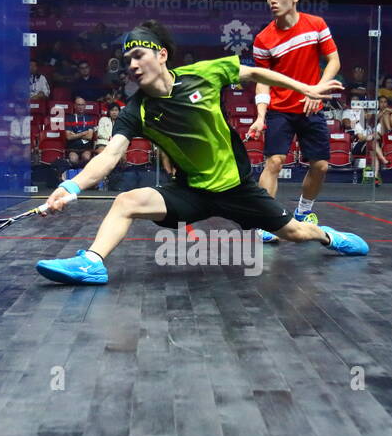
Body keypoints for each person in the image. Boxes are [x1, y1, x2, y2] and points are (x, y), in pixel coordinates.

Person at [34, 19, 368, 284]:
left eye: (139, 55)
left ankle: (328, 236)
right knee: (125, 202)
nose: (132, 64)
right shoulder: (136, 111)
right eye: (127, 60)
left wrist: (306, 88)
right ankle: (92, 263)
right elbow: (109, 156)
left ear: (161, 54)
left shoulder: (202, 75)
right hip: (192, 192)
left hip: (237, 189)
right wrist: (70, 187)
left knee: (295, 233)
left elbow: (252, 71)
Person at [246, 0, 342, 243]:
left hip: (311, 108)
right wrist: (261, 115)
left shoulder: (316, 24)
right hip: (279, 109)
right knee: (274, 162)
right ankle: (265, 221)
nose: (272, 0)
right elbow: (262, 81)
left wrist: (318, 91)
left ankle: (303, 212)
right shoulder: (264, 39)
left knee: (321, 166)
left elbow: (333, 61)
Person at [346, 109, 389, 185]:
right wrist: (371, 136)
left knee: (373, 150)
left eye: (370, 113)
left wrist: (370, 137)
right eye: (367, 113)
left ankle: (375, 177)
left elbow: (379, 136)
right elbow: (361, 138)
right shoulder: (359, 124)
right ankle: (382, 159)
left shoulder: (376, 124)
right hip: (359, 147)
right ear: (364, 114)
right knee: (373, 143)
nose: (368, 115)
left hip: (372, 146)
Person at [63, 95, 95, 170]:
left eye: (82, 105)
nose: (80, 107)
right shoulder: (69, 119)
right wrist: (83, 133)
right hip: (73, 148)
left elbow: (89, 137)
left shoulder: (89, 119)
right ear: (74, 106)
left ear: (85, 106)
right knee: (73, 159)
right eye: (78, 105)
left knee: (86, 157)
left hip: (86, 148)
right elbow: (68, 137)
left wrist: (75, 135)